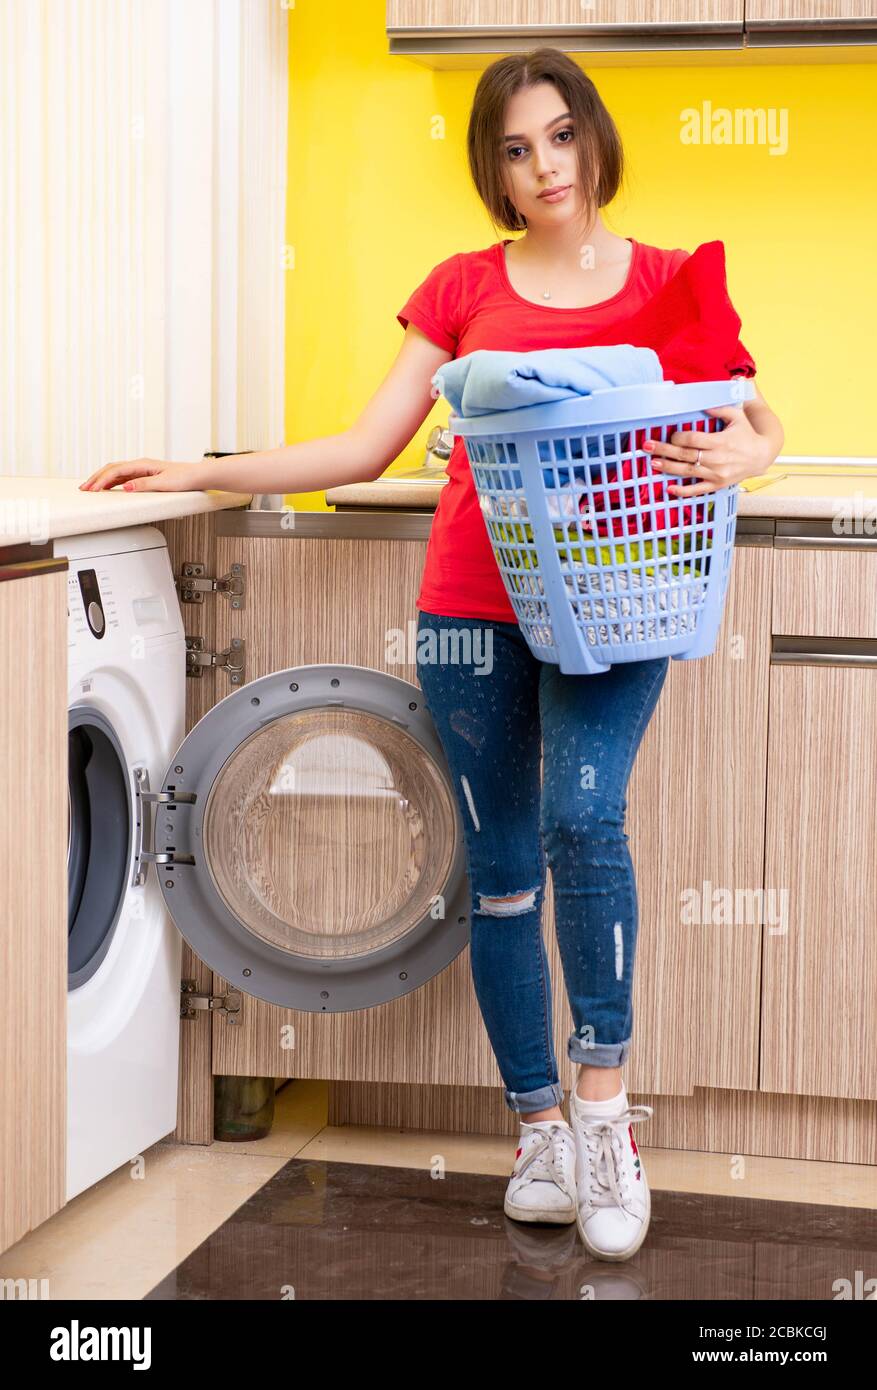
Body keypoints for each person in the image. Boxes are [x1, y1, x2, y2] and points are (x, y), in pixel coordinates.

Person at [80, 47, 784, 1262]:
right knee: (500, 863)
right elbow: (363, 445)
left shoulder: (670, 278)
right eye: (516, 148)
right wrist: (197, 467)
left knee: (583, 819)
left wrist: (753, 455)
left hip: (617, 603)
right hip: (471, 602)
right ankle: (537, 1132)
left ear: (594, 137)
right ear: (492, 168)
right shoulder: (461, 284)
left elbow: (749, 413)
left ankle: (607, 1112)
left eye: (560, 136)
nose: (544, 167)